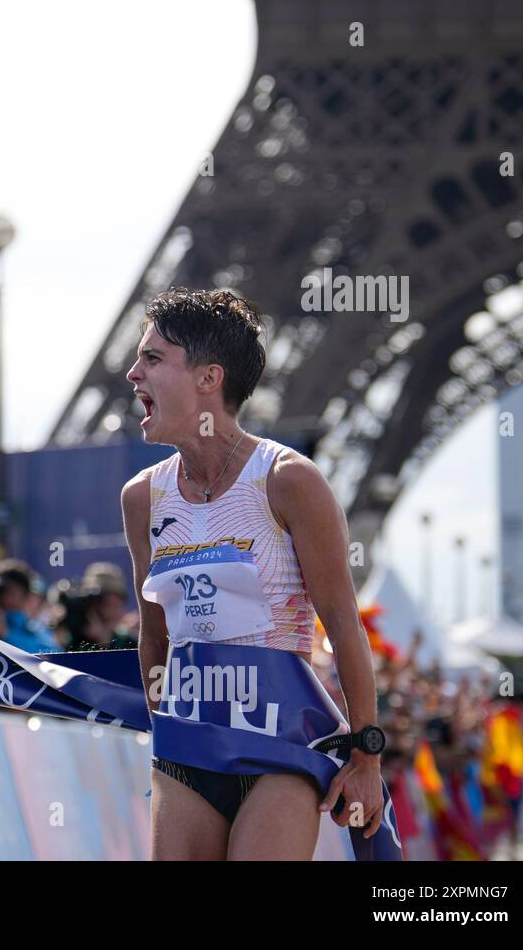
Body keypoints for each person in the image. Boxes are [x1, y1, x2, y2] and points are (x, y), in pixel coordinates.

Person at [120, 287, 384, 860]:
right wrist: (163, 724)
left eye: (154, 359)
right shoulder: (143, 497)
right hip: (189, 743)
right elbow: (153, 633)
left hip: (280, 744)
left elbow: (342, 621)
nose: (132, 372)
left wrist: (366, 755)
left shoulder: (288, 480)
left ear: (209, 378)